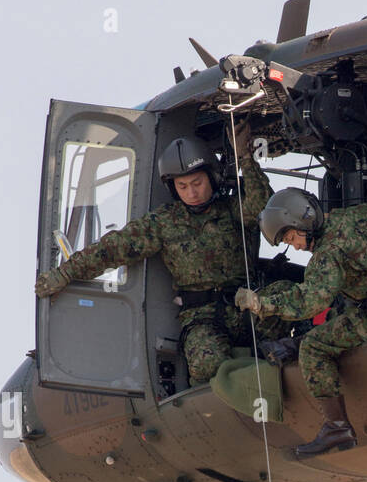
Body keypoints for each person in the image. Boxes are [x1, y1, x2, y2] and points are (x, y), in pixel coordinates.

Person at [34, 121, 289, 384]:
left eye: (198, 183)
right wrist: (65, 273)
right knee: (206, 366)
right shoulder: (164, 223)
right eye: (183, 187)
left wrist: (246, 158)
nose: (192, 193)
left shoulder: (233, 209)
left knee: (289, 309)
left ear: (211, 177)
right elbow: (113, 249)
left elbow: (263, 208)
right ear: (173, 188)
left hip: (248, 304)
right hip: (203, 318)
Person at [234, 190, 367, 458]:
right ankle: (288, 346)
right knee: (341, 311)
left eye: (292, 237)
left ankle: (336, 426)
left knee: (313, 346)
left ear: (304, 220)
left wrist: (261, 305)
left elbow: (310, 301)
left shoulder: (327, 254)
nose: (297, 247)